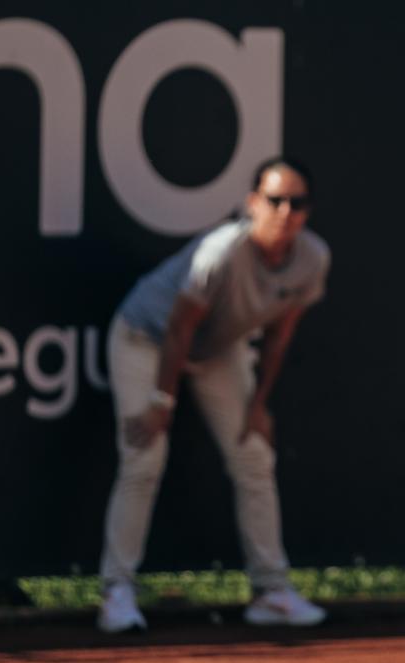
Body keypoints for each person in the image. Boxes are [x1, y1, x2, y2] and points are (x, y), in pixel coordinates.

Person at [97, 157, 330, 632]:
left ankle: (271, 591)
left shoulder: (312, 258)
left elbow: (279, 338)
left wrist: (258, 406)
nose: (286, 211)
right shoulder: (220, 252)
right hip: (146, 337)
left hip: (216, 349)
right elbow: (179, 328)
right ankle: (116, 592)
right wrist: (162, 402)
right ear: (252, 204)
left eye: (297, 203)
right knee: (143, 457)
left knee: (254, 455)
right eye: (274, 200)